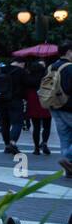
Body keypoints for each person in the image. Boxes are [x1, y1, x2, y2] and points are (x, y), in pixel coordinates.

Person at [38, 42, 72, 176]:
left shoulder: (51, 66)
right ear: (69, 52)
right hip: (69, 106)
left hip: (54, 105)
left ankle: (68, 169)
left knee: (65, 138)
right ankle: (67, 158)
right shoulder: (69, 68)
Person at [22, 58, 51, 155]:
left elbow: (25, 92)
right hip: (45, 101)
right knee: (47, 125)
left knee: (36, 127)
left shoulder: (28, 78)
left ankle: (36, 148)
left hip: (33, 101)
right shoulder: (46, 77)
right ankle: (45, 142)